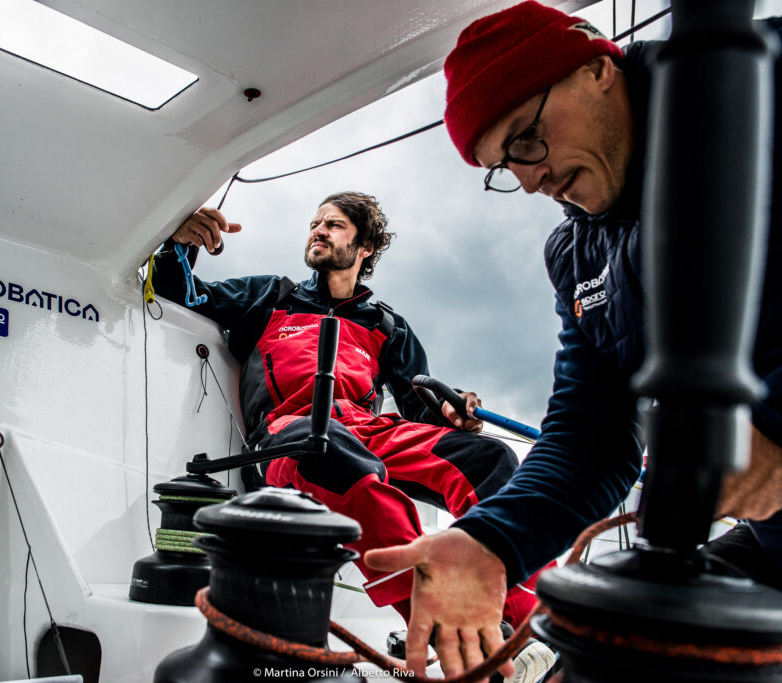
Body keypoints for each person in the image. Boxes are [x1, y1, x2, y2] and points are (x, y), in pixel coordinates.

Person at [364, 2, 782, 680]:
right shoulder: (577, 255)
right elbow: (591, 439)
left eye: (524, 139)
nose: (529, 178)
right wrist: (489, 539)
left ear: (595, 68)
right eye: (504, 165)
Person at [150, 191, 549, 626]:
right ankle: (445, 622)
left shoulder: (386, 325)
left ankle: (530, 627)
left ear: (365, 247)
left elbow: (421, 407)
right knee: (329, 446)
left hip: (369, 434)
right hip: (288, 439)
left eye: (333, 225)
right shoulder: (268, 296)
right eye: (315, 224)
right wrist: (180, 244)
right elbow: (179, 294)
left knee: (493, 459)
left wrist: (454, 412)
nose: (318, 230)